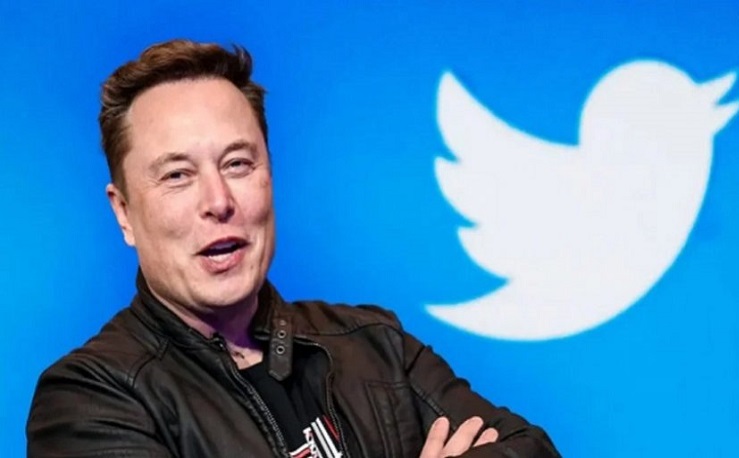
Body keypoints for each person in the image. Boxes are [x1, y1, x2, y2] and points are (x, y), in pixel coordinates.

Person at [26, 39, 560, 458]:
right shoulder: (89, 398)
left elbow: (530, 448)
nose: (219, 201)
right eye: (178, 175)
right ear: (124, 213)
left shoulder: (374, 344)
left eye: (238, 164)